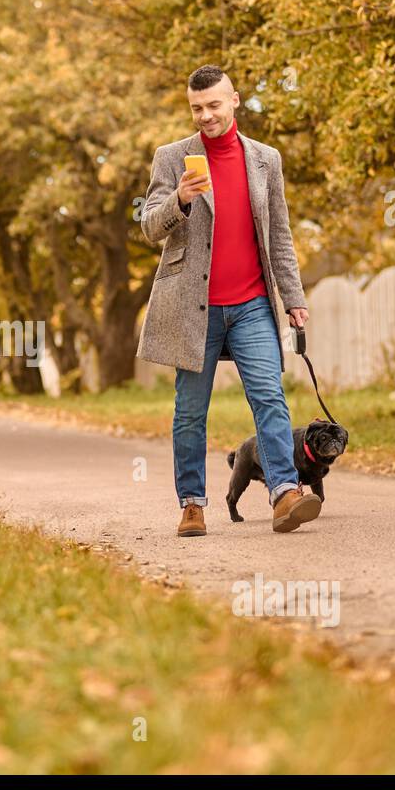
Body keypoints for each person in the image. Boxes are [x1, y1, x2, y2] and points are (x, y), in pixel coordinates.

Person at [135, 64, 322, 535]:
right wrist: (178, 198)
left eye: (214, 105)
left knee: (269, 396)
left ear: (234, 100)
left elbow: (278, 233)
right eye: (197, 108)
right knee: (191, 410)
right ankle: (193, 503)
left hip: (252, 302)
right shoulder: (172, 157)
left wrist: (293, 297)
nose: (205, 115)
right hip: (193, 305)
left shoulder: (266, 160)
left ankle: (284, 493)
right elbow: (149, 226)